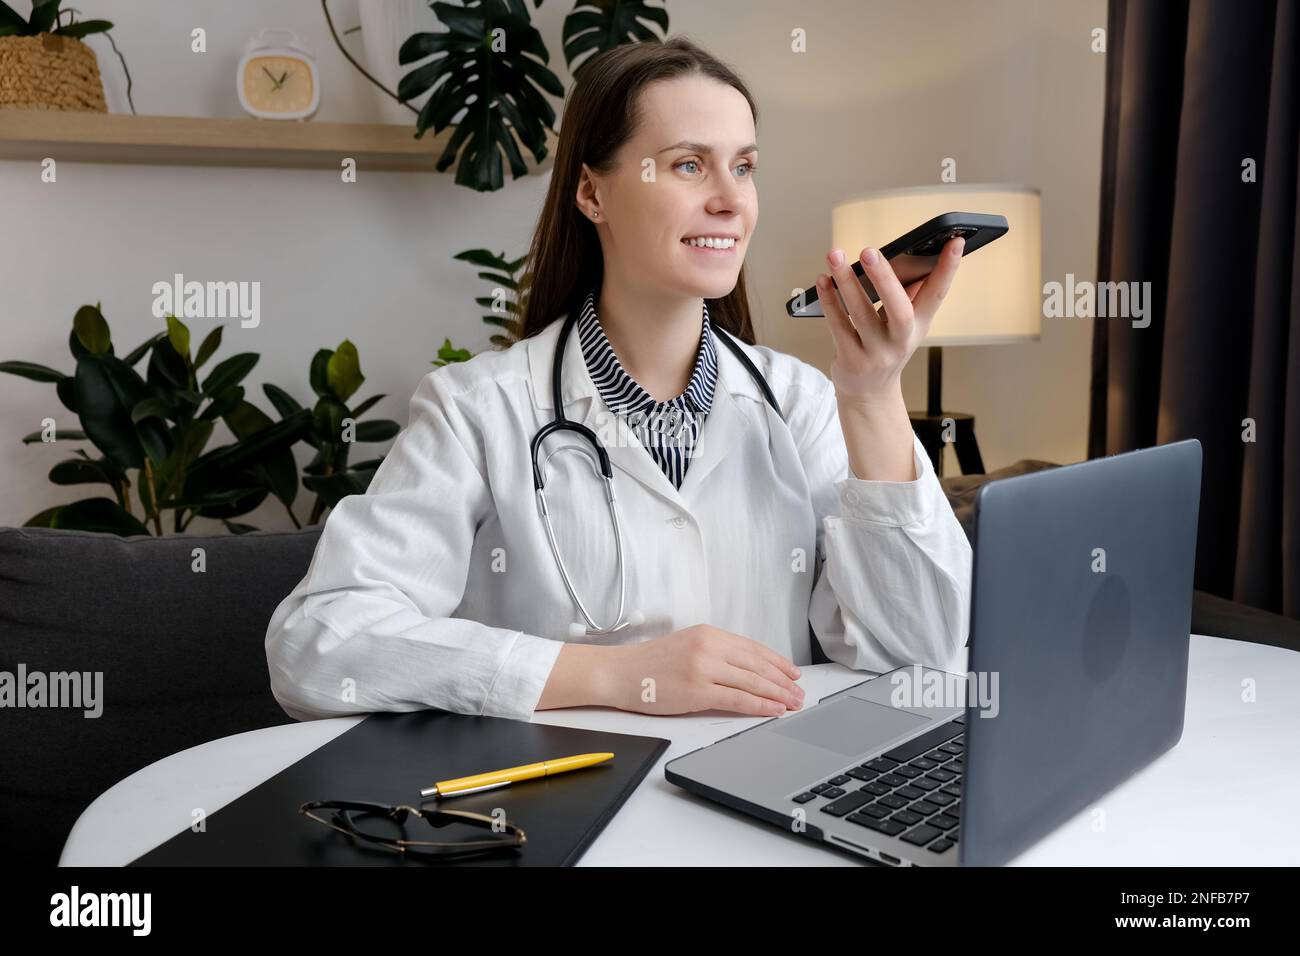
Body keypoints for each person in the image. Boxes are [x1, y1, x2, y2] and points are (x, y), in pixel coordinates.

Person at [265, 36, 972, 723]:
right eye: (689, 165)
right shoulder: (479, 409)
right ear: (593, 193)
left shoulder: (803, 403)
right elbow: (318, 644)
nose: (731, 199)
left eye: (745, 166)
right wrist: (610, 674)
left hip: (760, 810)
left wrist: (874, 394)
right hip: (565, 812)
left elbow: (921, 665)